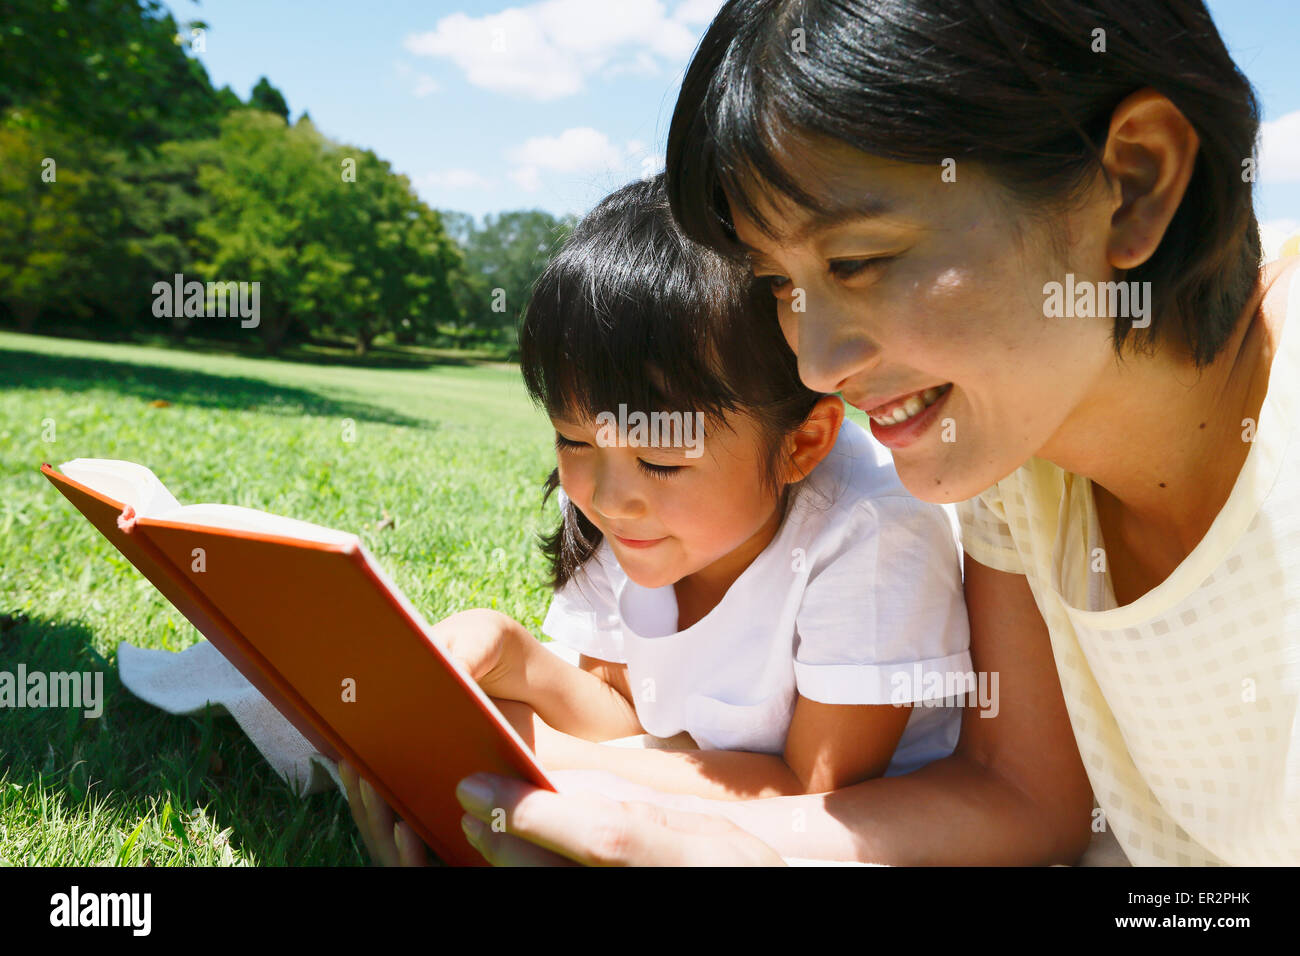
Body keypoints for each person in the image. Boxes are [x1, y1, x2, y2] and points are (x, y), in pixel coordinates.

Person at [350, 0, 1300, 865]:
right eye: (777, 285)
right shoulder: (1013, 463)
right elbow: (1021, 796)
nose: (816, 365)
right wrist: (668, 836)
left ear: (1132, 183)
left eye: (858, 260)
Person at [340, 173, 972, 853]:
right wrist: (515, 658)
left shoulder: (871, 530)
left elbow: (811, 793)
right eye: (574, 440)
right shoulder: (622, 511)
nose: (609, 498)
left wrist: (553, 759)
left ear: (803, 443)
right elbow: (625, 714)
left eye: (663, 461)